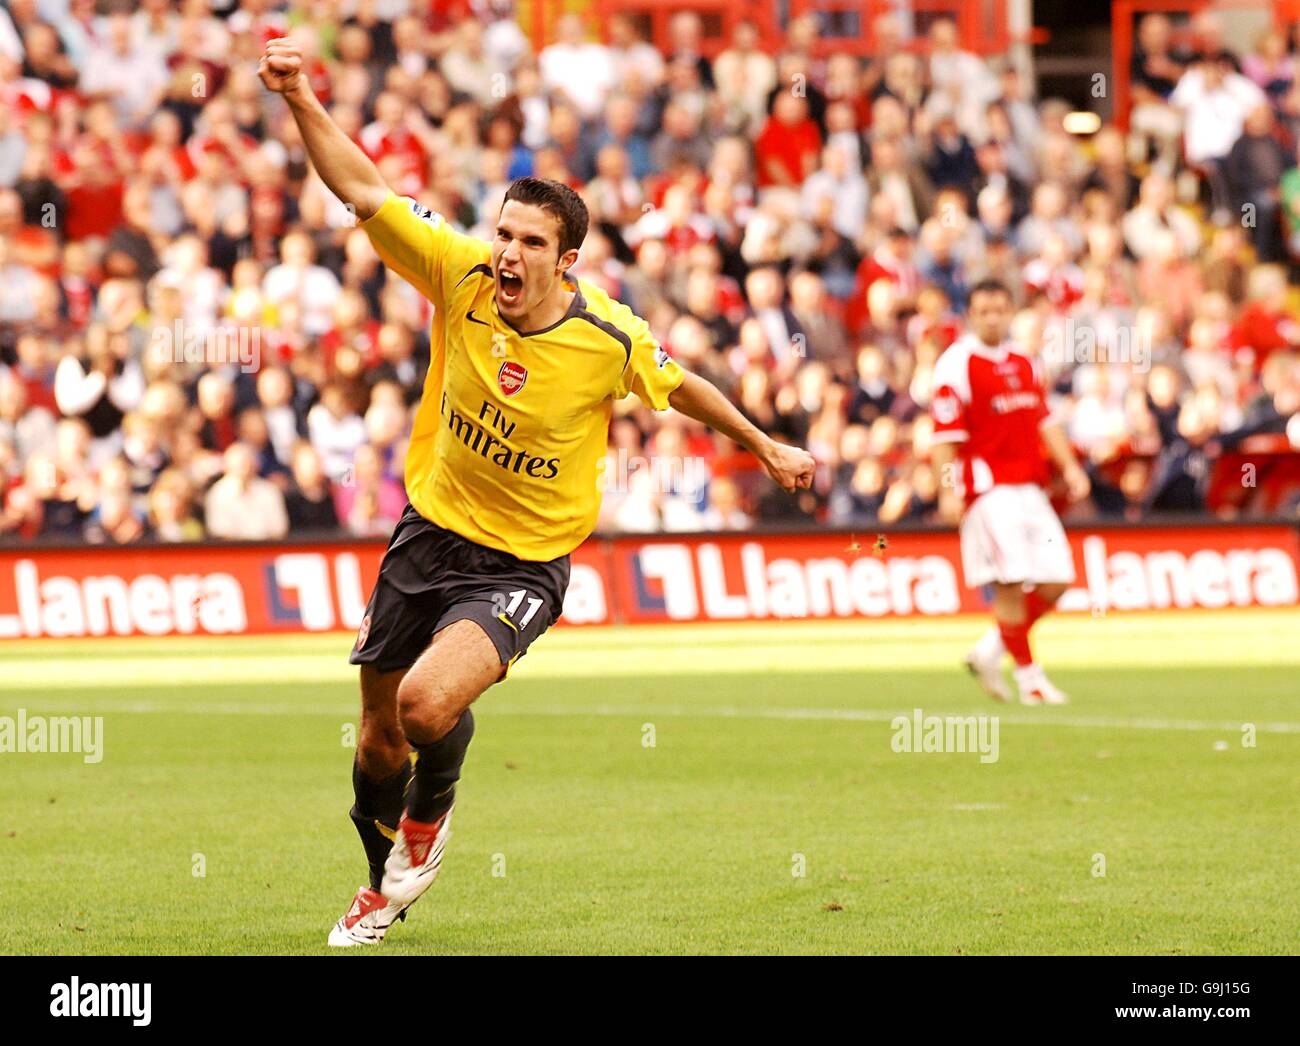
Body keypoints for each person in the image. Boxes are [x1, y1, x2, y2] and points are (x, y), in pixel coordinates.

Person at [258, 37, 815, 948]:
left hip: (521, 563)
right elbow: (362, 189)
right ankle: (382, 882)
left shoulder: (608, 335)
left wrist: (762, 445)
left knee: (426, 708)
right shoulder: (457, 272)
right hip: (426, 532)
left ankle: (429, 834)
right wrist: (300, 98)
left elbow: (687, 386)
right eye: (504, 234)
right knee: (373, 746)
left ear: (569, 261)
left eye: (530, 244)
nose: (507, 255)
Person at [929, 280, 1091, 705]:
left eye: (1000, 309)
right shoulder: (955, 365)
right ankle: (1030, 680)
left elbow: (1045, 418)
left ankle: (991, 649)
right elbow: (944, 436)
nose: (993, 318)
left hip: (1030, 486)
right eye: (984, 311)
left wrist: (1070, 466)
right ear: (970, 315)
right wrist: (948, 492)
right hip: (988, 489)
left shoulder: (1025, 360)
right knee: (1011, 581)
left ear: (1010, 311)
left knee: (1057, 579)